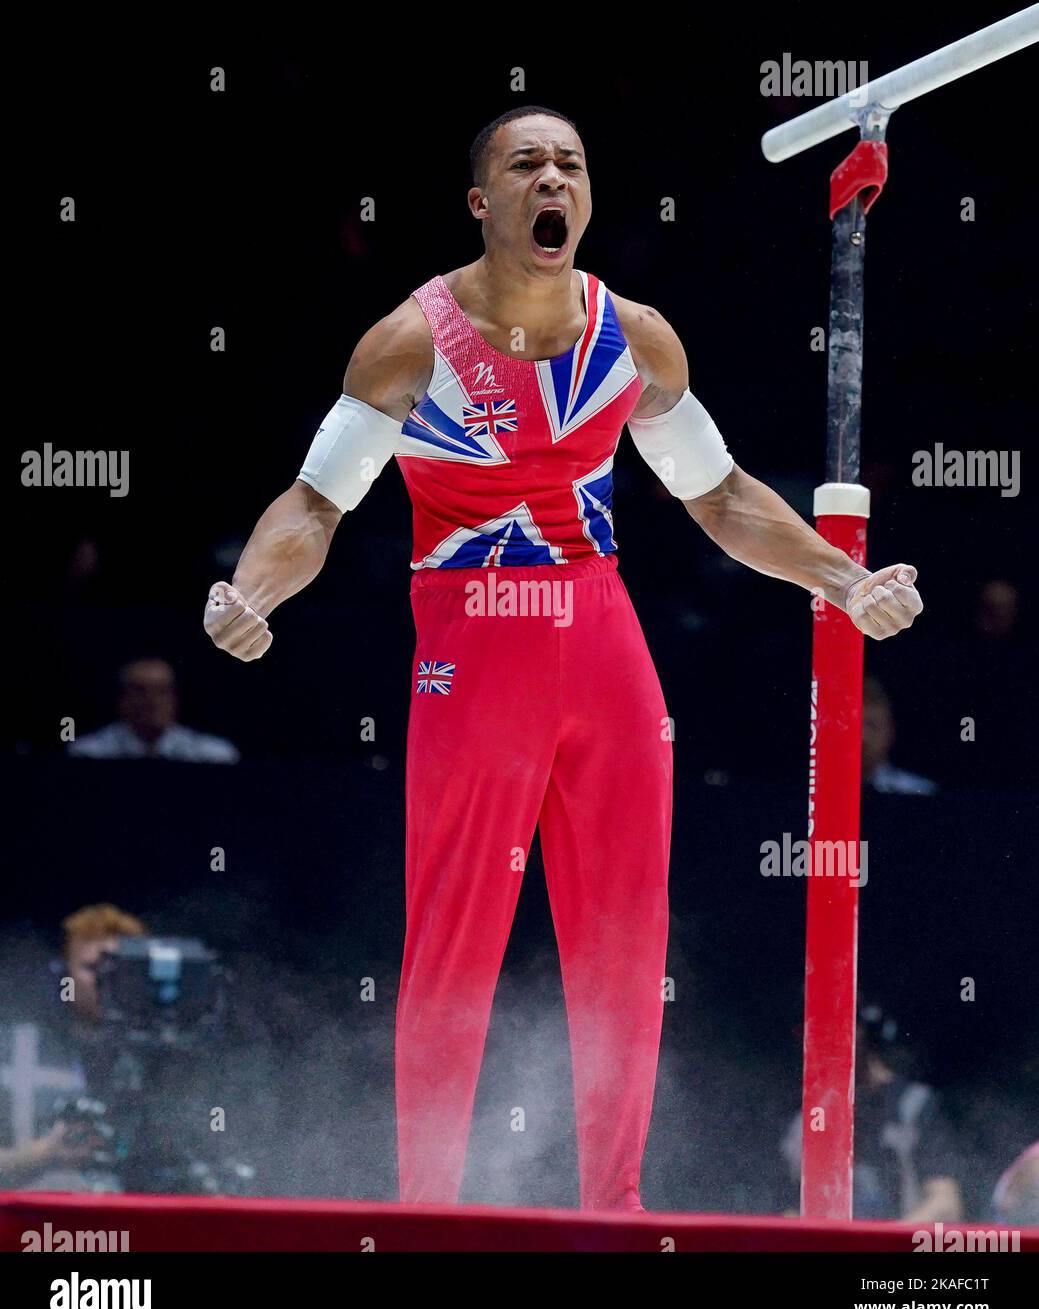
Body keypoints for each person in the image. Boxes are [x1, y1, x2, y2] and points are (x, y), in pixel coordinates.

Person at [203, 106, 923, 1211]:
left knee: (627, 942)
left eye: (572, 164)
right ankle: (427, 1208)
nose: (554, 178)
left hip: (603, 642)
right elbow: (312, 503)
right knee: (455, 940)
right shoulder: (409, 340)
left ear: (585, 198)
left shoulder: (634, 335)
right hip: (470, 641)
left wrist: (841, 580)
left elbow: (721, 496)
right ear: (483, 202)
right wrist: (251, 592)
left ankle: (614, 1205)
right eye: (525, 163)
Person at [0, 904, 146, 1190]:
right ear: (63, 973)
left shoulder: (160, 1053)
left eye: (119, 969)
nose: (106, 981)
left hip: (125, 1227)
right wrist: (42, 1154)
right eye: (92, 968)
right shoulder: (10, 1049)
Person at [780, 1005, 964, 1221]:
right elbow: (788, 1211)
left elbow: (946, 1204)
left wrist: (882, 1242)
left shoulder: (915, 1105)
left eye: (834, 1030)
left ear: (862, 1033)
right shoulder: (810, 1115)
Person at [68, 658, 239, 763]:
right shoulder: (87, 755)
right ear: (122, 698)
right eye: (139, 691)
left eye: (161, 691)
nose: (152, 701)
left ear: (174, 698)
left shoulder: (215, 756)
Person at [862, 675, 938, 796]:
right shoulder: (823, 791)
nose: (863, 736)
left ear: (890, 730)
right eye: (854, 728)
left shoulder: (919, 793)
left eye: (872, 725)